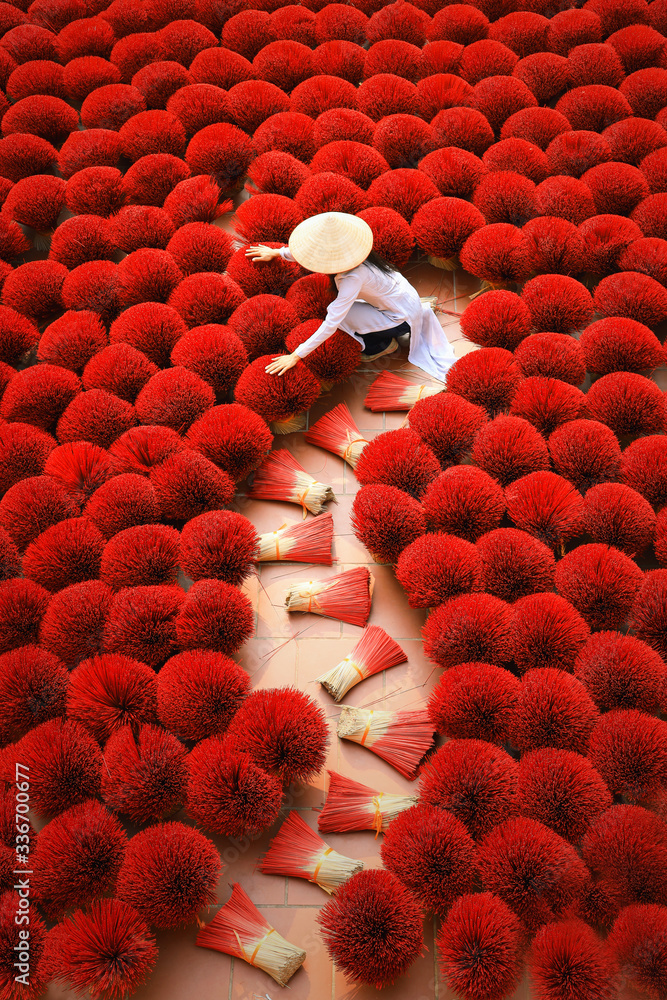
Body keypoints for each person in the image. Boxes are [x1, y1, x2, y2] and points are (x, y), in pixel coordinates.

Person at [244, 212, 456, 381]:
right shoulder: (358, 254)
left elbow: (331, 323)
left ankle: (380, 346)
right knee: (344, 307)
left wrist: (296, 355)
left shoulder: (351, 279)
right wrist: (279, 253)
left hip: (401, 319)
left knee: (338, 314)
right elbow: (313, 251)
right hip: (405, 300)